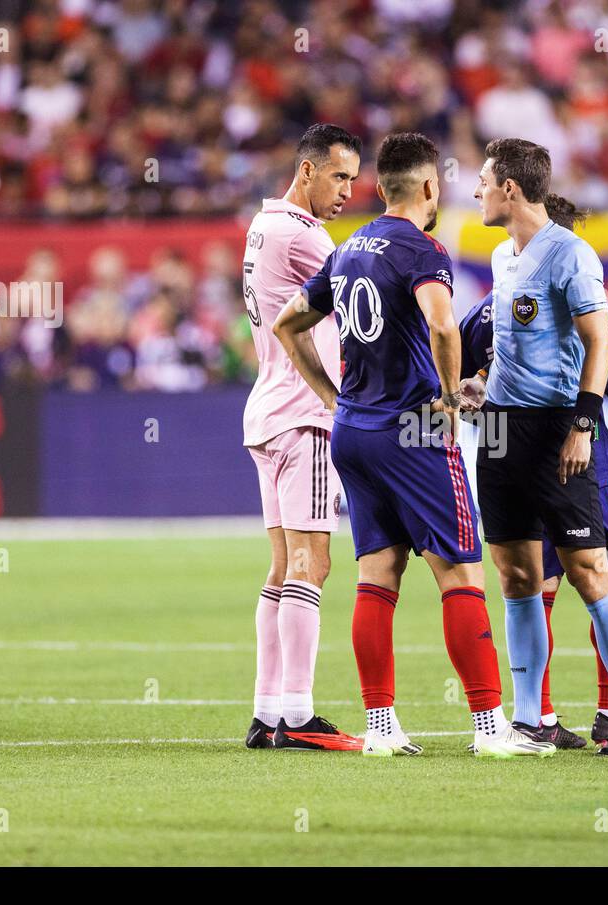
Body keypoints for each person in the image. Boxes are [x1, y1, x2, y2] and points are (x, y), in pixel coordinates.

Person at [273, 132, 553, 759]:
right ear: (430, 187)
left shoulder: (349, 249)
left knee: (377, 577)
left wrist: (331, 396)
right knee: (461, 573)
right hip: (413, 429)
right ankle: (489, 729)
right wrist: (452, 401)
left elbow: (288, 322)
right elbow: (443, 322)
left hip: (353, 429)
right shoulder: (421, 249)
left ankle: (380, 728)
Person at [457, 192, 608, 750]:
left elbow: (462, 351)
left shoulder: (493, 297)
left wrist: (466, 390)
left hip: (509, 441)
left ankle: (537, 717)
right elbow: (606, 362)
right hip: (577, 446)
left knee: (532, 581)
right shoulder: (568, 275)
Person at [472, 137, 608, 757]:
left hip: (556, 430)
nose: (475, 190)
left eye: (483, 180)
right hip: (499, 431)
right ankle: (528, 723)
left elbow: (599, 345)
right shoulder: (501, 258)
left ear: (512, 190)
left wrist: (584, 425)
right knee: (519, 576)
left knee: (589, 570)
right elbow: (508, 345)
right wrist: (477, 387)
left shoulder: (572, 255)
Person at [241, 124, 363, 752]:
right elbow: (365, 294)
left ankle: (267, 713)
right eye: (340, 176)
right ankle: (298, 713)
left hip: (268, 409)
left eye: (354, 178)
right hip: (305, 413)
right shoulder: (301, 233)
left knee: (283, 566)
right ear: (308, 170)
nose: (349, 190)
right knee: (312, 564)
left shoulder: (264, 226)